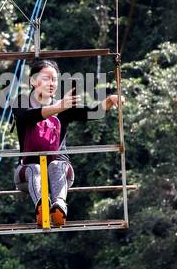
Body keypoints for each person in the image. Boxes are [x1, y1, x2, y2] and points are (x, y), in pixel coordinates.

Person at [11, 58, 122, 227]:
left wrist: (109, 100)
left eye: (54, 79)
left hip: (59, 173)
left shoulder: (64, 107)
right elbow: (26, 116)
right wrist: (58, 108)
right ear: (33, 80)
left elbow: (92, 112)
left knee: (57, 165)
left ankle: (59, 207)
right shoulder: (21, 102)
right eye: (46, 78)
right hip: (27, 173)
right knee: (35, 168)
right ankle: (42, 208)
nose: (51, 83)